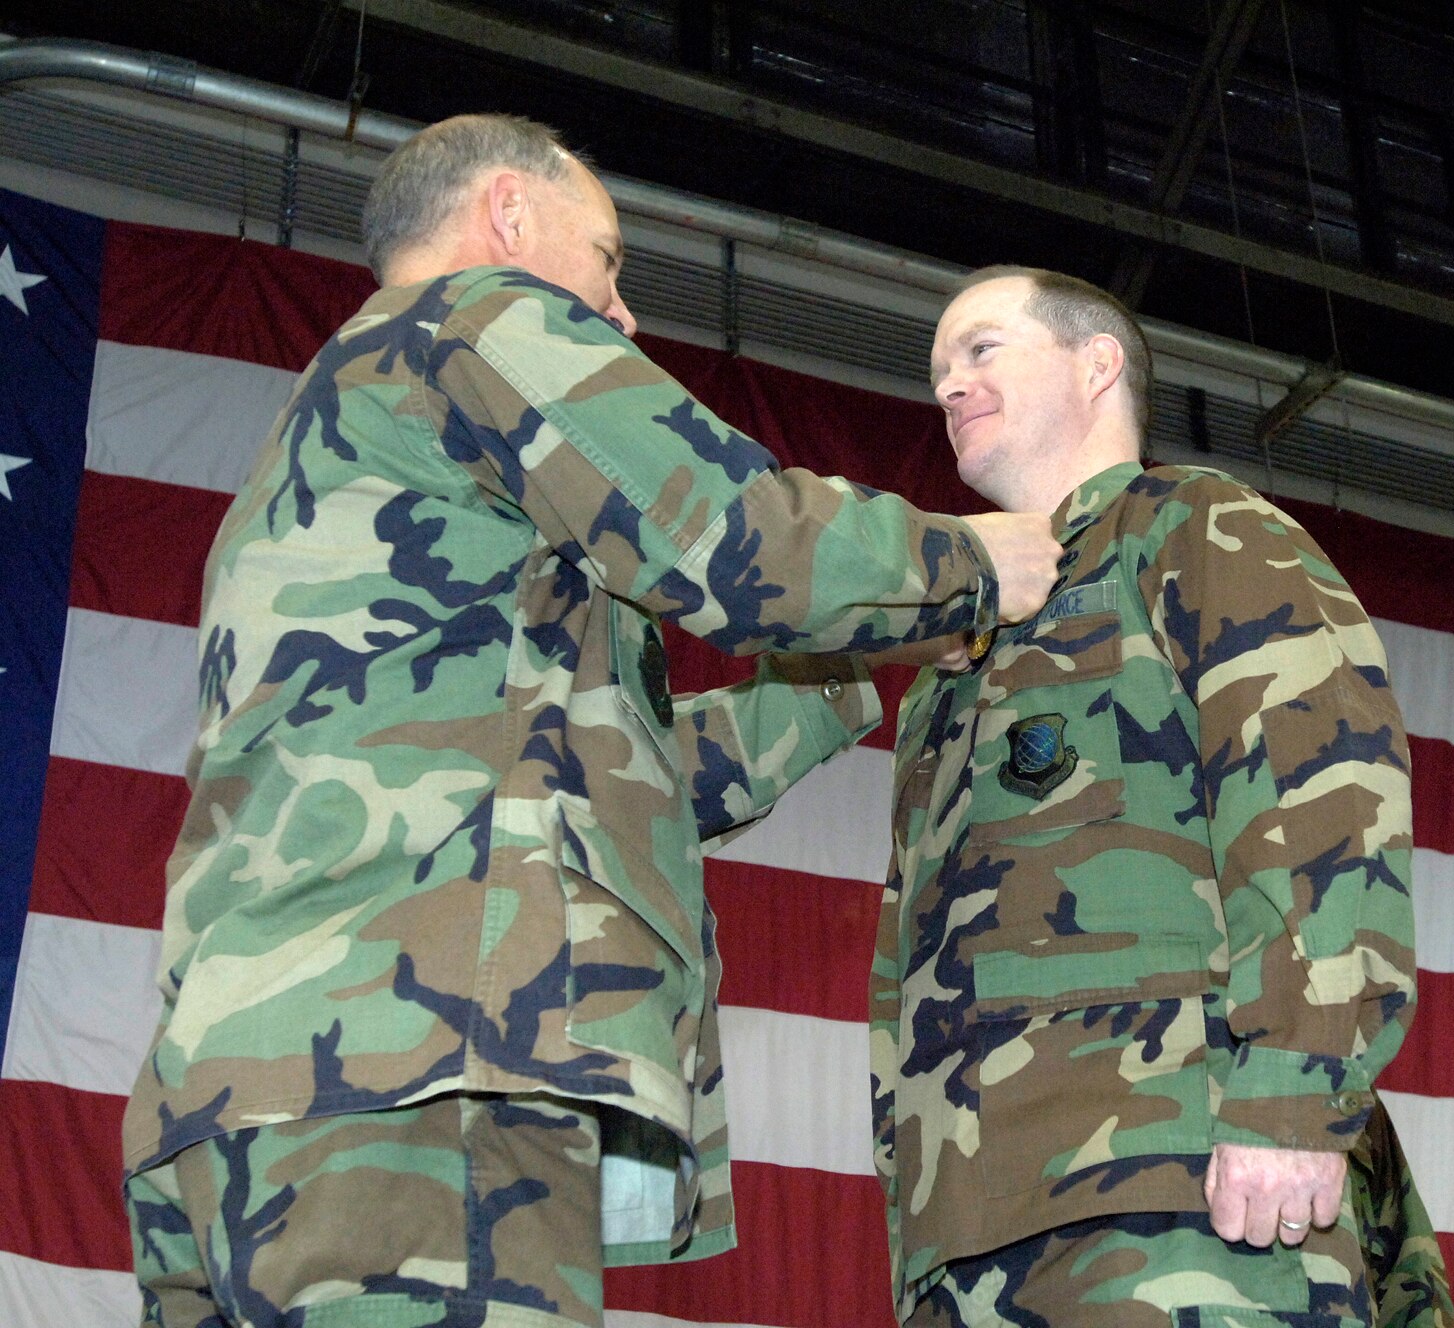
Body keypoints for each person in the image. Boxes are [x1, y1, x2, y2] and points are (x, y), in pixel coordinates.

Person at [121, 116, 1061, 1328]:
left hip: (239, 1093)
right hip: (420, 1060)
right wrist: (973, 560)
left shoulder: (323, 440)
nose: (619, 313)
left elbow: (608, 771)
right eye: (608, 259)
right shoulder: (479, 321)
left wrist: (847, 678)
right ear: (509, 217)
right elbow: (736, 535)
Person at [870, 266, 1454, 1326]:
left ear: (1096, 363)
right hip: (965, 1232)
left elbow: (1316, 783)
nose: (947, 385)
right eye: (935, 370)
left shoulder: (1188, 527)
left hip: (1175, 1192)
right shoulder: (956, 653)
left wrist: (1291, 1086)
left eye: (980, 350)